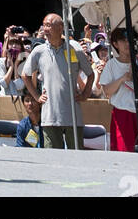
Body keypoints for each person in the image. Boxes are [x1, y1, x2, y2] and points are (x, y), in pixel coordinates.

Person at [21, 13, 94, 149]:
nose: (45, 29)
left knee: (77, 159)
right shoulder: (39, 51)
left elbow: (90, 74)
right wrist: (37, 97)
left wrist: (85, 94)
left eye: (48, 25)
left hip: (73, 116)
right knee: (53, 159)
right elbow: (25, 75)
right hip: (50, 116)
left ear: (61, 27)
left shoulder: (74, 48)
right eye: (44, 25)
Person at [98, 26, 138, 152]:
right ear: (115, 44)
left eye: (129, 40)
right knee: (126, 151)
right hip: (123, 115)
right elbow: (107, 92)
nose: (127, 43)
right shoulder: (111, 65)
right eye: (123, 40)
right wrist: (122, 79)